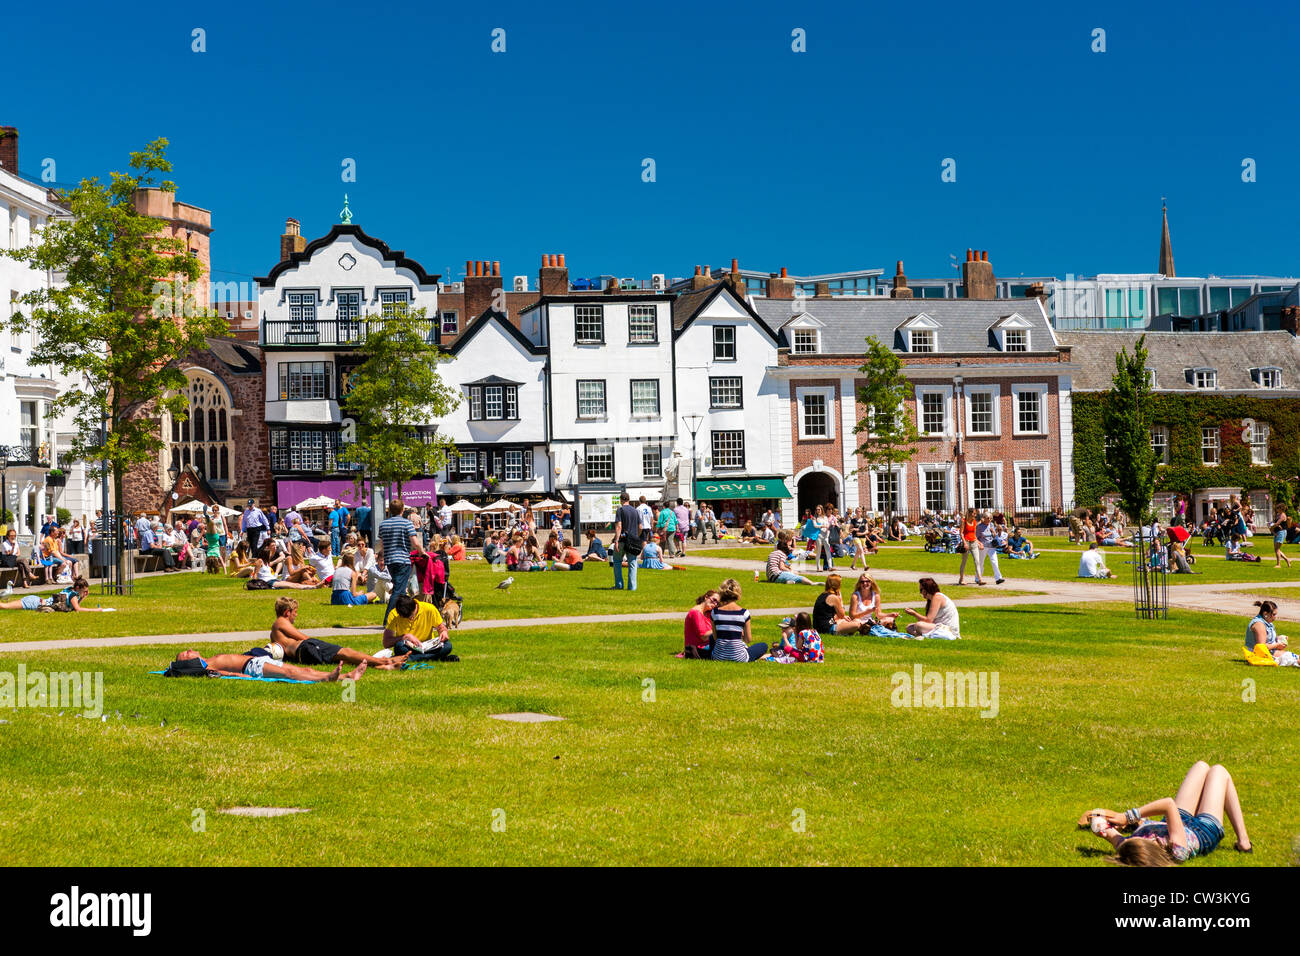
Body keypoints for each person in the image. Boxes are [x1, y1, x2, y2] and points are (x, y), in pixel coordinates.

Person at [1083, 761, 1252, 864]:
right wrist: (1127, 817)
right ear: (1155, 843)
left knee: (1201, 766)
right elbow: (1168, 804)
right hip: (1204, 831)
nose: (1134, 836)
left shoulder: (1129, 848)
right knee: (1219, 771)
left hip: (1174, 822)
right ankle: (1244, 842)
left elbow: (1109, 833)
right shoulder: (1177, 851)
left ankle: (1243, 841)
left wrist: (1100, 826)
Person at [167, 647, 365, 682]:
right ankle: (327, 678)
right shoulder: (206, 668)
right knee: (290, 672)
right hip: (252, 667)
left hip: (257, 662)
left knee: (300, 670)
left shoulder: (206, 662)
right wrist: (243, 676)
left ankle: (345, 676)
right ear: (187, 661)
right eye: (186, 653)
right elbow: (223, 673)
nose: (190, 650)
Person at [379, 498, 423, 623]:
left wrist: (381, 556)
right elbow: (415, 542)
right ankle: (388, 619)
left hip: (390, 560)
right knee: (398, 591)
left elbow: (381, 545)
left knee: (400, 589)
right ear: (402, 510)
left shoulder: (383, 524)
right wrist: (422, 552)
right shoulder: (407, 523)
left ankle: (403, 616)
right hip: (403, 560)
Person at [382, 593, 455, 661]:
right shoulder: (394, 614)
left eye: (411, 616)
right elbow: (386, 643)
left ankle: (411, 658)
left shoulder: (429, 608)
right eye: (406, 618)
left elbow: (441, 627)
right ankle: (436, 657)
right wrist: (405, 637)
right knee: (399, 647)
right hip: (409, 647)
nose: (411, 619)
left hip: (428, 646)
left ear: (415, 607)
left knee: (447, 645)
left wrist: (443, 632)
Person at [710, 578, 767, 662]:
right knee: (763, 646)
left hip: (718, 657)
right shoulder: (744, 613)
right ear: (738, 594)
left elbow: (715, 637)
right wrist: (739, 633)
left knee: (711, 637)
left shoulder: (715, 612)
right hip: (739, 657)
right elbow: (748, 639)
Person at [1, 576, 111, 612]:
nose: (86, 592)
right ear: (78, 588)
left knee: (4, 606)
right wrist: (96, 610)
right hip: (35, 603)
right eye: (84, 591)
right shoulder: (73, 595)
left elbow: (73, 606)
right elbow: (77, 609)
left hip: (36, 600)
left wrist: (82, 597)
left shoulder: (70, 591)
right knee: (4, 606)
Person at [1244, 600, 1299, 665]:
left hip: (1270, 652)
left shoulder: (1267, 622)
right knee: (1296, 659)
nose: (1275, 617)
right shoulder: (1259, 624)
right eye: (1273, 614)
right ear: (1265, 614)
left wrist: (1280, 638)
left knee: (1297, 657)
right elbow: (1261, 648)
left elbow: (1269, 639)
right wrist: (1277, 645)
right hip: (1261, 656)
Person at [613, 492, 643, 591]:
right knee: (633, 563)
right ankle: (632, 587)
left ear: (621, 500)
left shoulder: (620, 510)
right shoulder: (635, 511)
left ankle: (619, 585)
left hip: (622, 539)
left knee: (617, 561)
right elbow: (640, 527)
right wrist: (636, 536)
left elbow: (619, 526)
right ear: (629, 500)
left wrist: (616, 541)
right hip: (633, 541)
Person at [682, 589, 716, 659]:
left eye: (717, 603)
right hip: (697, 648)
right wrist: (720, 628)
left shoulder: (708, 613)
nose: (715, 604)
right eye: (714, 600)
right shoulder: (696, 613)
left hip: (706, 645)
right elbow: (703, 636)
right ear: (706, 597)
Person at [975, 512, 1006, 585]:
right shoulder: (979, 526)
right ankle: (977, 578)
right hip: (983, 546)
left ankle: (998, 578)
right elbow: (975, 537)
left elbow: (995, 536)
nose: (989, 520)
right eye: (988, 518)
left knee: (995, 561)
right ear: (984, 518)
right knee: (981, 563)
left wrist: (993, 532)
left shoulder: (991, 525)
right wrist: (979, 544)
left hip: (992, 546)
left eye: (990, 518)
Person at [956, 509, 984, 586]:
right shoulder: (963, 521)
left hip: (974, 542)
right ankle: (961, 579)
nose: (975, 515)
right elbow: (961, 533)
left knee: (977, 561)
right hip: (967, 542)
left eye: (975, 514)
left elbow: (974, 534)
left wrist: (979, 543)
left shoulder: (974, 522)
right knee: (964, 562)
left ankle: (980, 579)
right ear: (969, 513)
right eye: (974, 514)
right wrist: (964, 543)